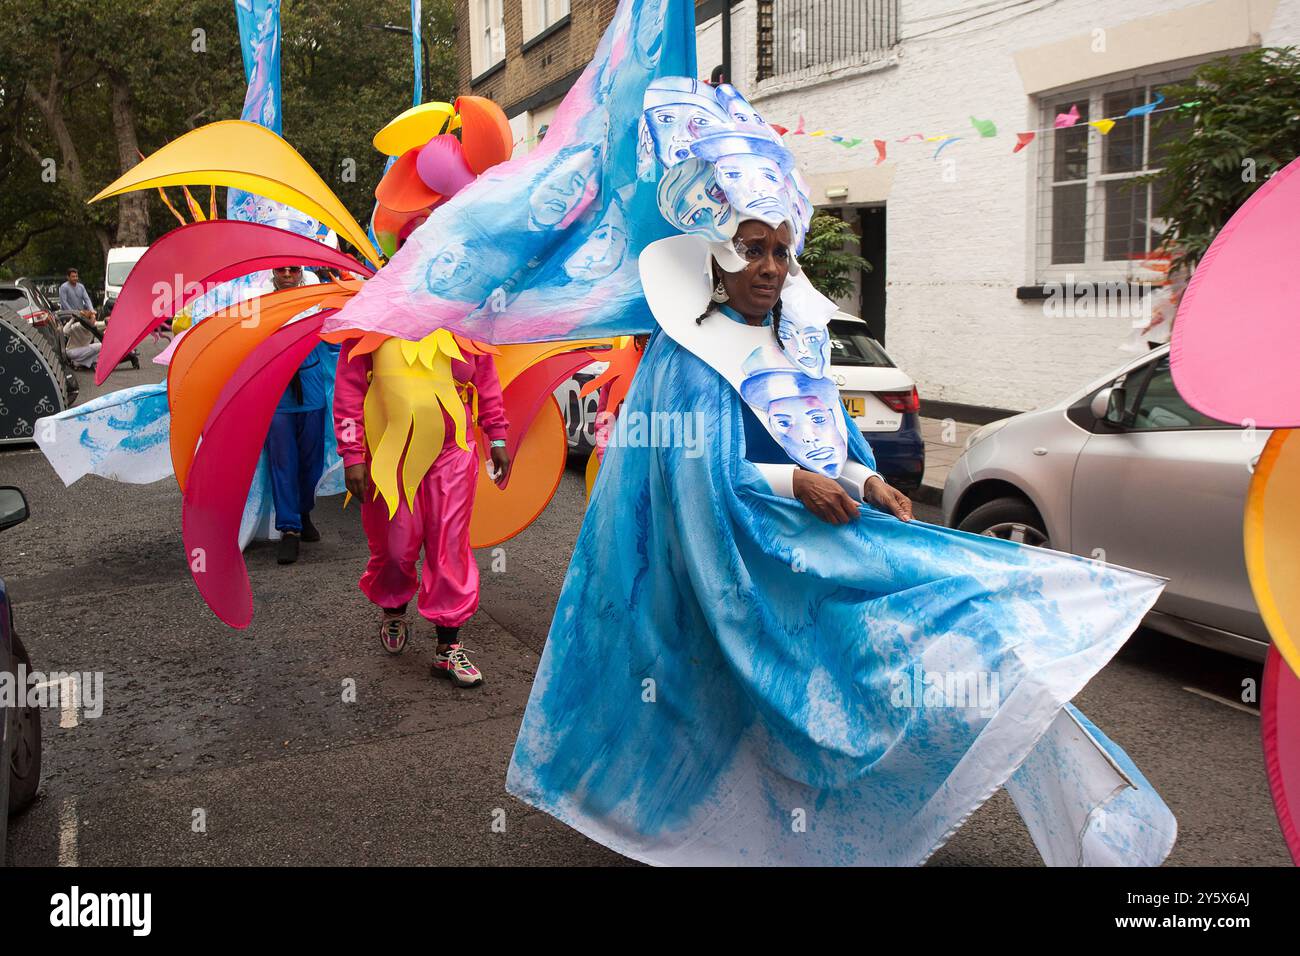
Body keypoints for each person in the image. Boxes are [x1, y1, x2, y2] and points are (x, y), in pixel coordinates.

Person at [503, 78, 1175, 866]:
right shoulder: (686, 361)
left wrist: (864, 481)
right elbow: (704, 487)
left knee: (1002, 644)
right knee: (943, 668)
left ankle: (1100, 825)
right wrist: (800, 488)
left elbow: (825, 443)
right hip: (771, 575)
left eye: (781, 251)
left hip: (841, 545)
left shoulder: (802, 346)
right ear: (716, 256)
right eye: (751, 248)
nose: (769, 266)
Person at [333, 298, 512, 687]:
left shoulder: (467, 315)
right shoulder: (371, 315)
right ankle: (393, 608)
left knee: (449, 544)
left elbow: (486, 379)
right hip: (390, 451)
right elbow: (348, 390)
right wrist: (352, 455)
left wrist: (496, 434)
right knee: (396, 546)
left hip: (454, 452)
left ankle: (449, 646)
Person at [261, 265, 336, 565]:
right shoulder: (260, 303)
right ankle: (289, 529)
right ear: (274, 272)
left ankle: (304, 511)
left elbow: (336, 338)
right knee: (282, 462)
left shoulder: (317, 299)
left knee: (311, 461)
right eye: (282, 270)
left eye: (294, 269)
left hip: (312, 389)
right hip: (277, 395)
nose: (288, 274)